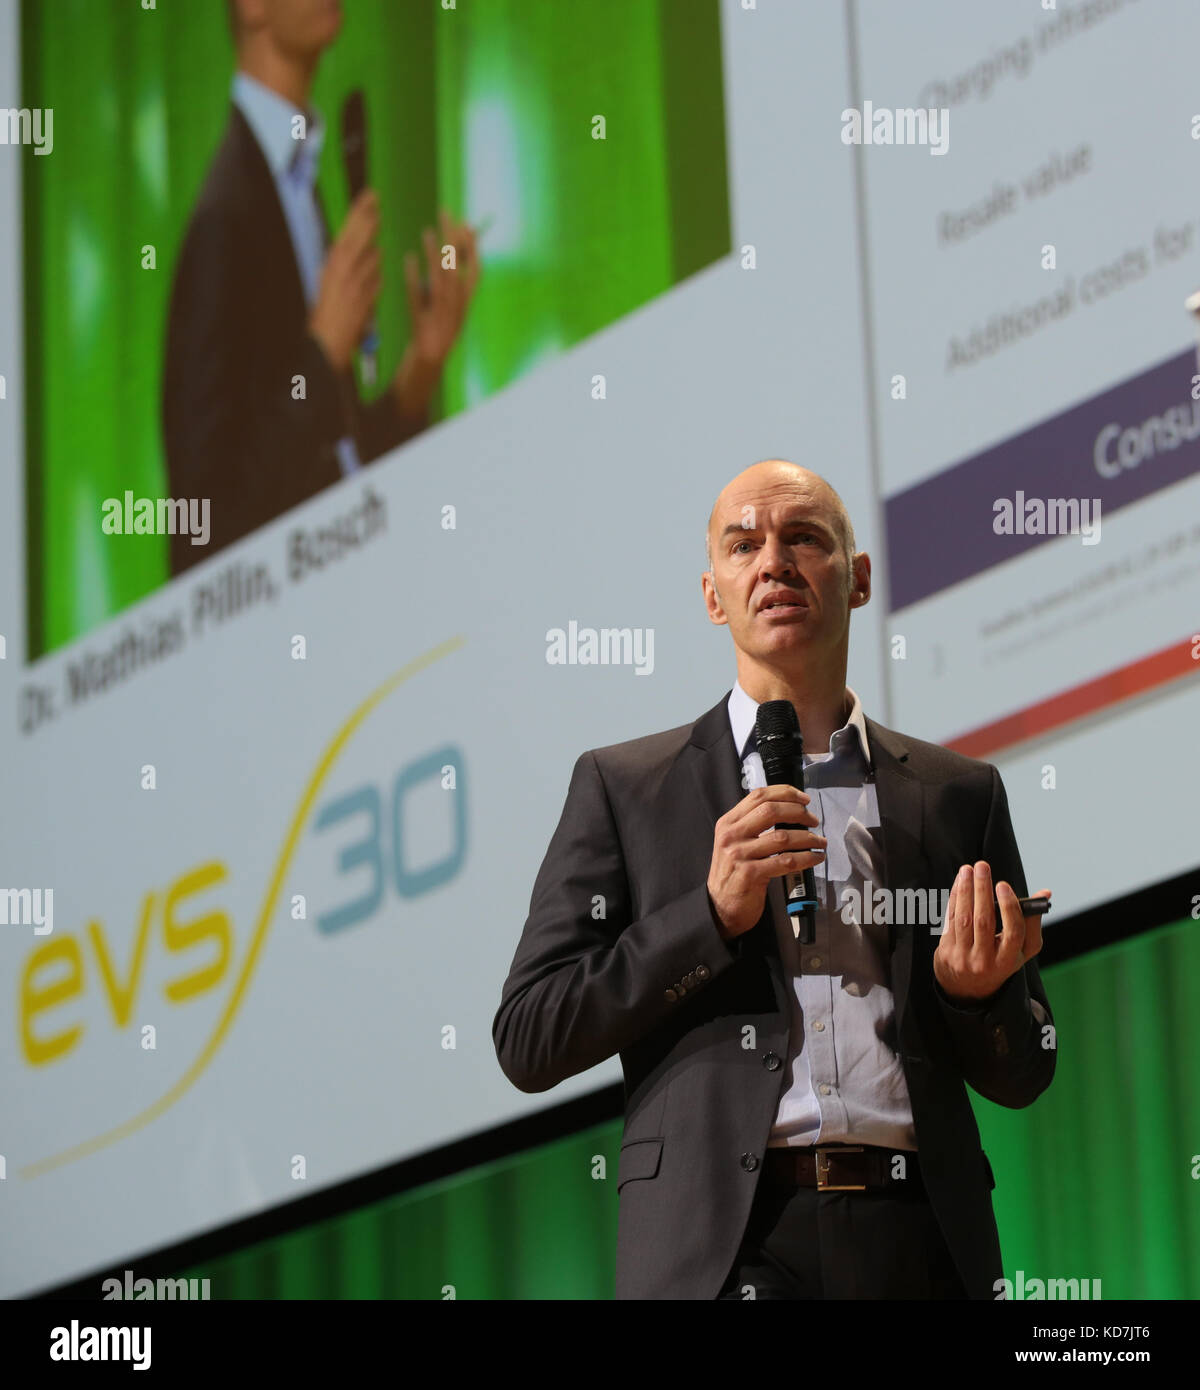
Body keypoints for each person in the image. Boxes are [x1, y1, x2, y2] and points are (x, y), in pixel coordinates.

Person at [493, 459, 1056, 1300]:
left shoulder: (958, 793)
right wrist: (709, 917)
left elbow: (1027, 1068)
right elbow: (530, 1036)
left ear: (858, 579)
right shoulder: (625, 787)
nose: (774, 562)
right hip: (723, 1248)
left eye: (803, 538)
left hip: (921, 1240)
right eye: (744, 544)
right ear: (714, 595)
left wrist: (977, 998)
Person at [162, 0, 479, 574]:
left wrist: (418, 373)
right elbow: (203, 522)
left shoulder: (298, 178)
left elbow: (331, 465)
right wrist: (321, 353)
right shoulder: (223, 218)